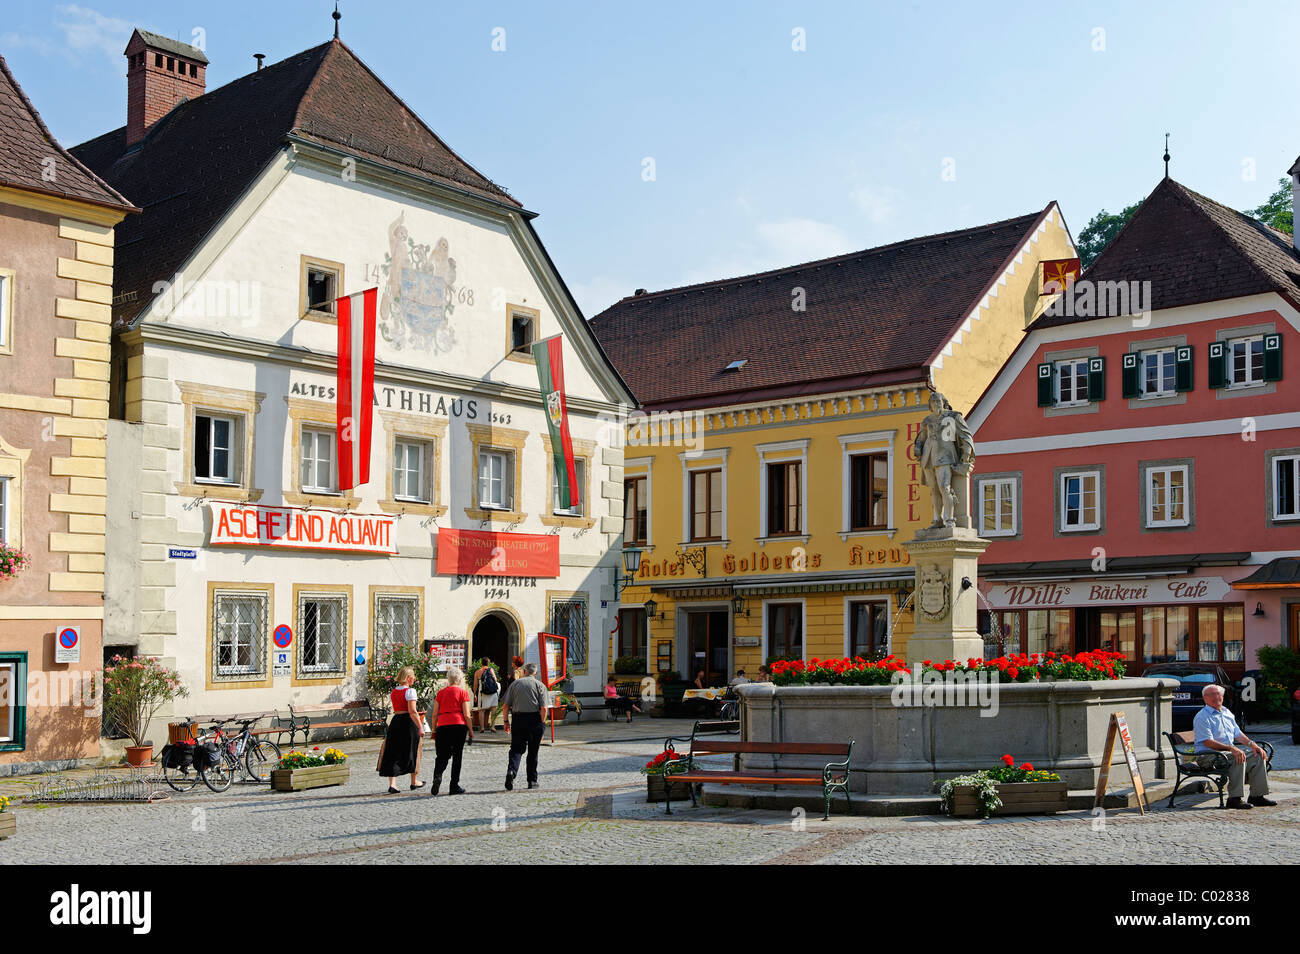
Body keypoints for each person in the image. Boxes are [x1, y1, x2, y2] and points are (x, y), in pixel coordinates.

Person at [1194, 683, 1274, 809]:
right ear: (1205, 698)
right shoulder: (1202, 717)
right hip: (1207, 755)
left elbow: (1238, 734)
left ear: (1222, 696)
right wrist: (1231, 748)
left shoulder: (1226, 712)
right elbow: (1208, 742)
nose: (1215, 697)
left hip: (1226, 753)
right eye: (1211, 695)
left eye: (1218, 694)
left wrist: (1252, 744)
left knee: (1258, 755)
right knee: (1238, 756)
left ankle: (1257, 796)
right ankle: (1234, 799)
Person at [502, 662, 548, 790]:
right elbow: (544, 708)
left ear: (524, 671)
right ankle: (532, 781)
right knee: (533, 751)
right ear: (536, 673)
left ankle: (511, 771)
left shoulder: (515, 684)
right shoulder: (540, 685)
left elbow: (506, 706)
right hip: (534, 720)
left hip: (518, 719)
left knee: (516, 749)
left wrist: (506, 722)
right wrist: (542, 723)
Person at [378, 666, 424, 793]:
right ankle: (414, 781)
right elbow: (413, 711)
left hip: (396, 720)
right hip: (408, 722)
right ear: (408, 678)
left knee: (393, 751)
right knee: (413, 749)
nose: (414, 678)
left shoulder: (394, 691)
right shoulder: (410, 691)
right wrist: (420, 726)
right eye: (413, 676)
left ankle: (393, 784)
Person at [429, 665, 474, 795]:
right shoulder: (462, 693)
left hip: (443, 725)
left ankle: (437, 777)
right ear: (459, 680)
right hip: (458, 725)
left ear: (448, 679)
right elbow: (466, 714)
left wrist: (434, 729)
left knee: (441, 756)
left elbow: (434, 714)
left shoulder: (441, 693)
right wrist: (470, 730)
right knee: (457, 756)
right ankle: (454, 785)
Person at [473, 660, 499, 733]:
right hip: (492, 692)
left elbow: (475, 684)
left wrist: (474, 694)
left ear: (481, 663)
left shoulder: (478, 672)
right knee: (493, 709)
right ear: (489, 663)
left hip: (482, 692)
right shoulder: (491, 669)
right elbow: (495, 679)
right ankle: (493, 727)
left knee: (481, 710)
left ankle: (482, 728)